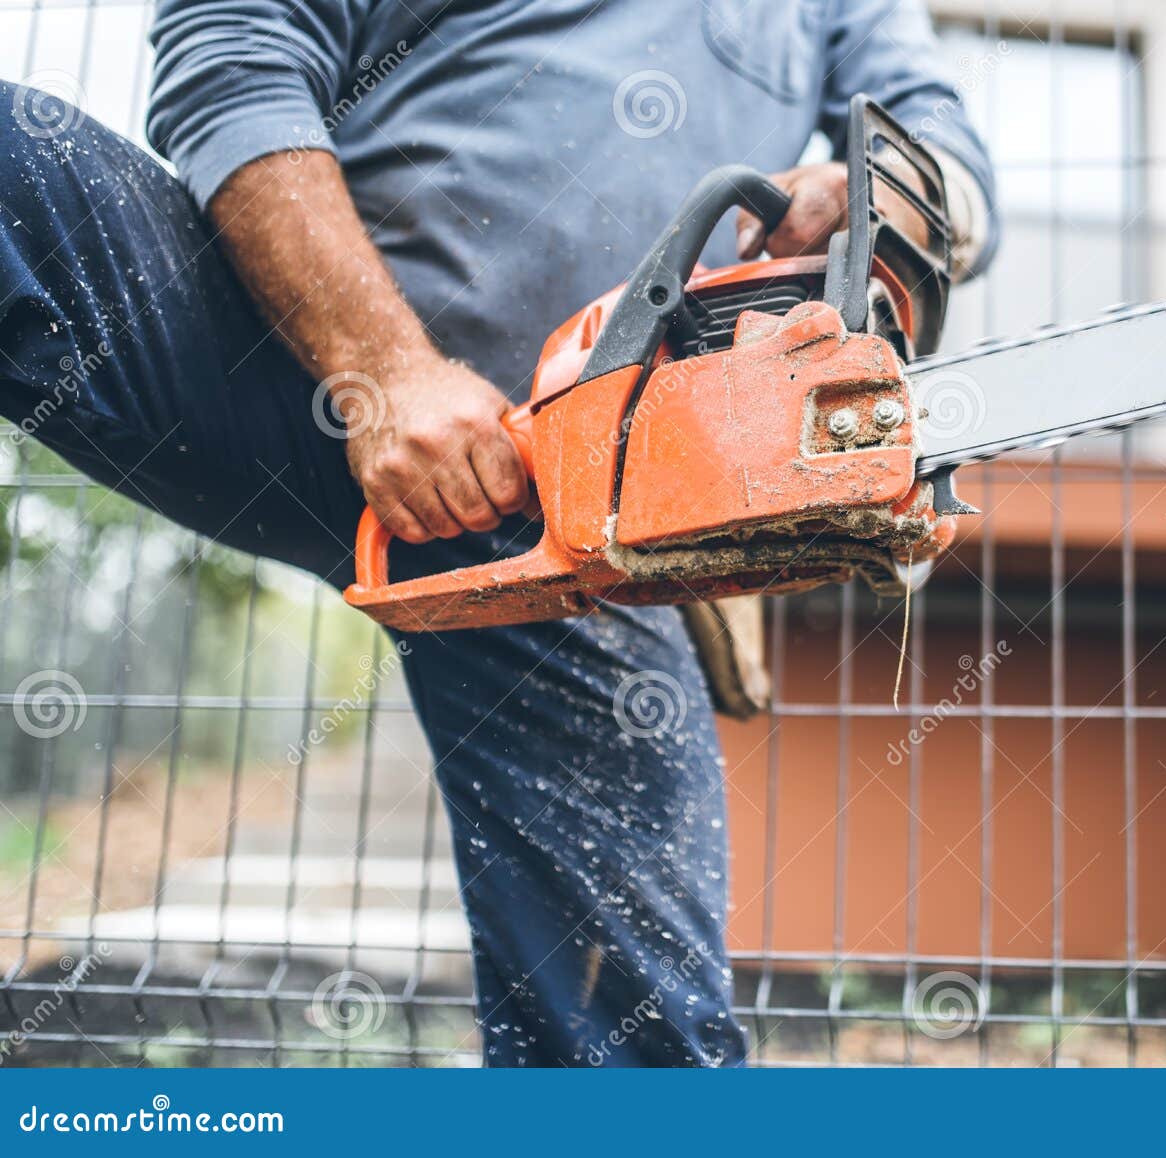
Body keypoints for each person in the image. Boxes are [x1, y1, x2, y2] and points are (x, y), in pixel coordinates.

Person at [0, 0, 996, 1065]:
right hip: (272, 337)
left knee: (630, 1029)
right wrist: (379, 369)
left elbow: (944, 151)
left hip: (587, 509)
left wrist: (889, 191)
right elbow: (232, 46)